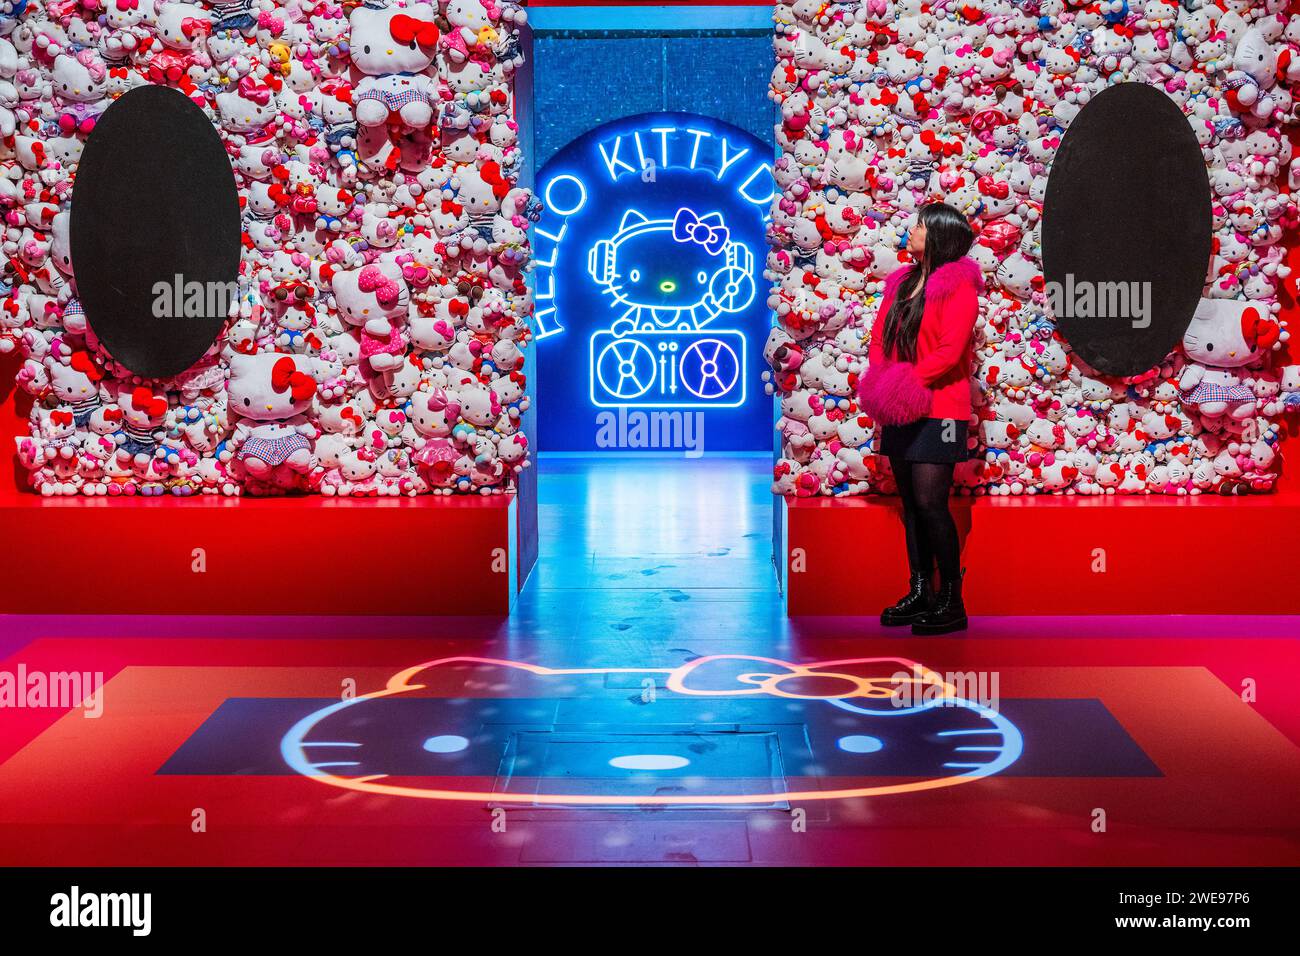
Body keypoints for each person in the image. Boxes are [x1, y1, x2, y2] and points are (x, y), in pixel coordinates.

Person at [859, 202, 982, 635]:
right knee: (911, 505)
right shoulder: (902, 283)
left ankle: (952, 598)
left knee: (932, 503)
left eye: (920, 225)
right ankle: (919, 591)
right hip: (899, 406)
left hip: (940, 408)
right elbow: (879, 337)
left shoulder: (960, 288)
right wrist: (885, 379)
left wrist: (907, 381)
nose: (911, 230)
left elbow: (950, 353)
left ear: (938, 236)